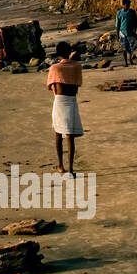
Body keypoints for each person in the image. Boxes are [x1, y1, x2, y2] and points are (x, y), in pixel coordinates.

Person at [46, 41, 83, 175]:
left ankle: (61, 165)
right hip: (72, 101)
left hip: (60, 101)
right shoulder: (77, 66)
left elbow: (49, 86)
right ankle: (71, 169)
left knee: (58, 133)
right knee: (70, 136)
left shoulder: (54, 68)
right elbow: (78, 84)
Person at [115, 0, 137, 67]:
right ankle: (126, 62)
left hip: (131, 32)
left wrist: (134, 31)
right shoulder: (119, 13)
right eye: (126, 4)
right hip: (122, 32)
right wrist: (117, 35)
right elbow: (117, 24)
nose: (128, 6)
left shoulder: (132, 12)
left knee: (131, 47)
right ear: (123, 5)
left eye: (129, 4)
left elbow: (136, 22)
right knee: (124, 47)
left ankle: (130, 60)